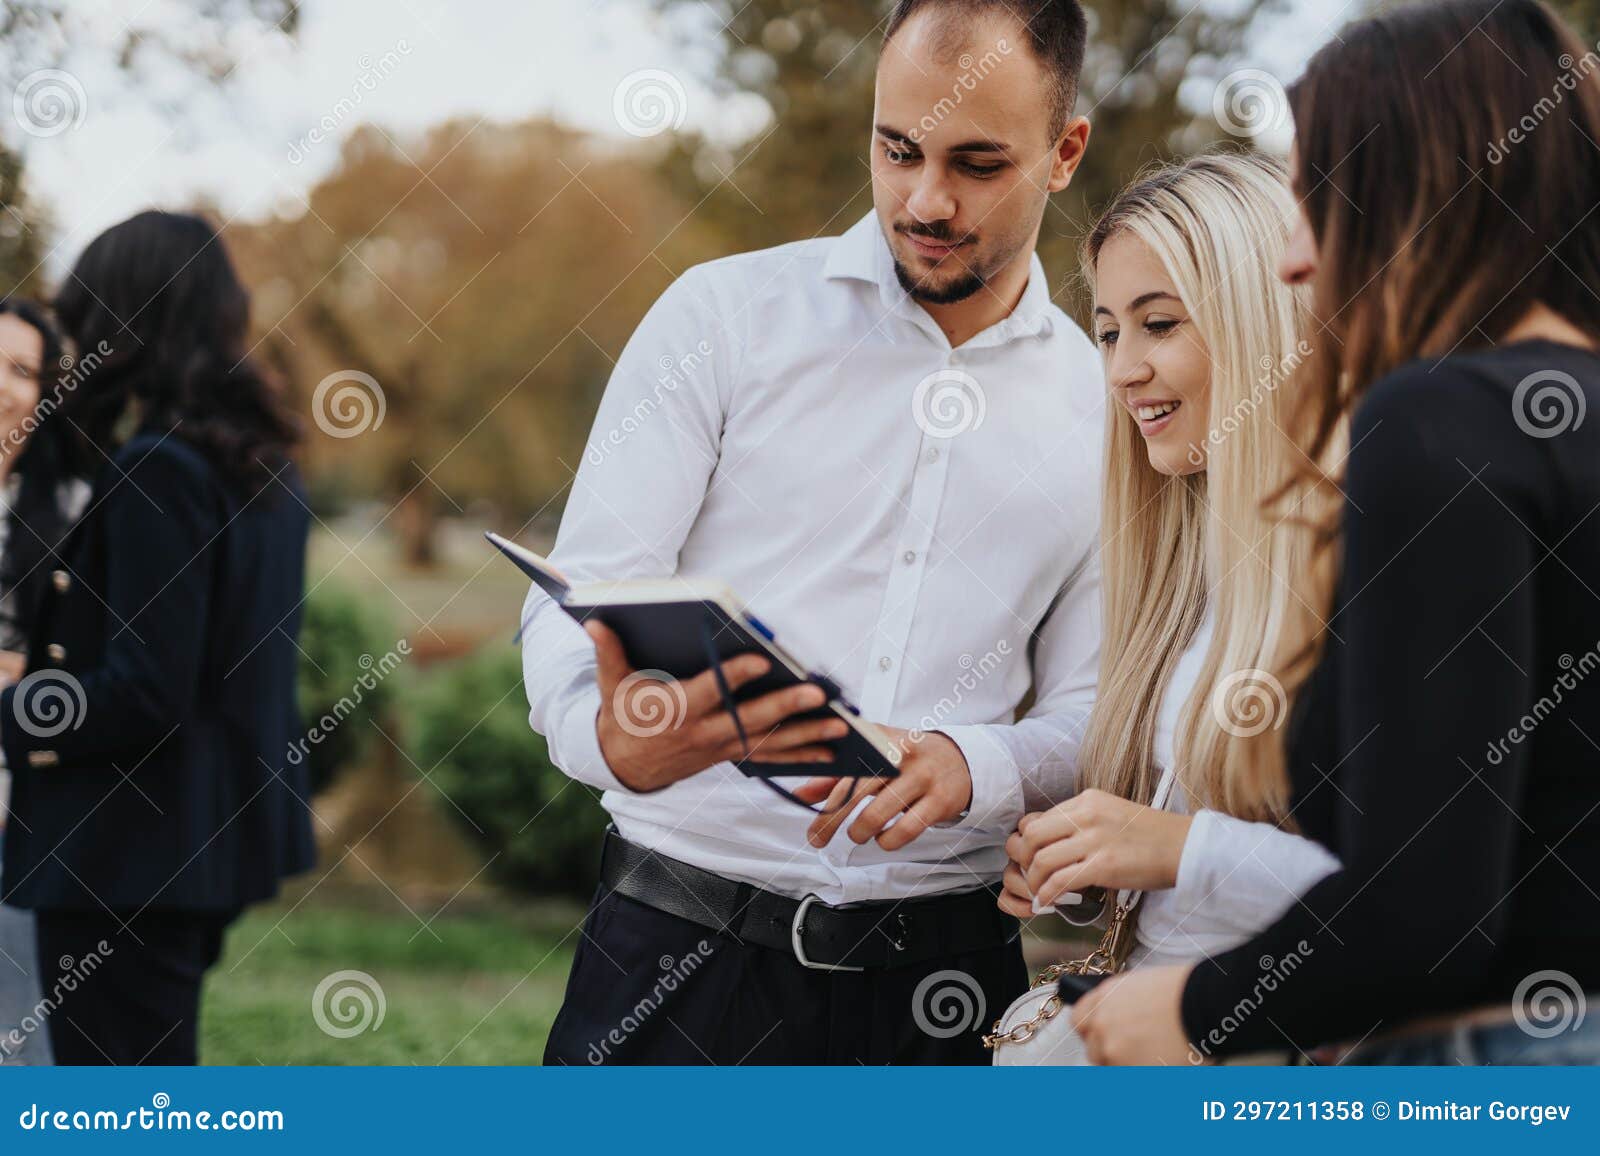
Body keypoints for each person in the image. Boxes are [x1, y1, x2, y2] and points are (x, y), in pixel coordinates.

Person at [525, 0, 1103, 1064]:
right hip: (672, 967)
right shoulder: (721, 319)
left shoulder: (1106, 405)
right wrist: (612, 736)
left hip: (945, 993)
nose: (926, 199)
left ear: (1064, 152)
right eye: (898, 150)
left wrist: (972, 765)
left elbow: (1094, 704)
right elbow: (585, 590)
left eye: (977, 164)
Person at [1071, 0, 1600, 1065]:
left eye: (1319, 200)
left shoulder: (1433, 421)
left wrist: (1184, 1011)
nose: (1297, 260)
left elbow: (1423, 911)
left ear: (1408, 188)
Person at [988, 154, 1340, 1063]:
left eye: (1158, 325)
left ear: (1262, 323)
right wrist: (1086, 864)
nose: (1122, 370)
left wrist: (1177, 849)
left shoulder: (1368, 565)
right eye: (1108, 333)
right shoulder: (1186, 567)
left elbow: (1426, 905)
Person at [0, 210, 315, 1065]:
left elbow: (147, 689)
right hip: (204, 848)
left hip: (124, 860)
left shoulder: (157, 469)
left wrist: (10, 708)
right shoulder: (265, 467)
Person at [0, 298, 88, 1066]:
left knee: (20, 1037)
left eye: (23, 370)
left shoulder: (71, 514)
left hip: (22, 806)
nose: (2, 387)